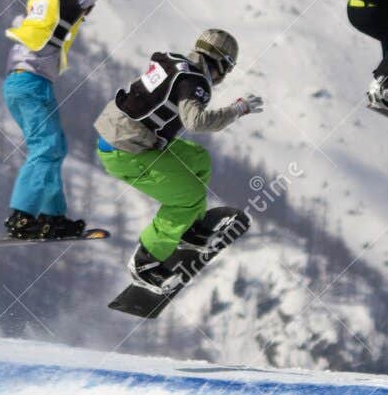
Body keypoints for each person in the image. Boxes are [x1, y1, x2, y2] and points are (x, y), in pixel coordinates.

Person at [92, 29, 263, 288]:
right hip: (126, 150)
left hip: (126, 138)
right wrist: (237, 109)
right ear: (218, 61)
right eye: (226, 68)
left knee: (198, 159)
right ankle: (145, 261)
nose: (223, 76)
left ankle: (189, 228)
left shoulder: (174, 62)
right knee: (188, 195)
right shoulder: (195, 82)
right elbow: (195, 122)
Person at [3, 0, 141, 240]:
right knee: (46, 148)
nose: (86, 14)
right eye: (87, 9)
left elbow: (19, 26)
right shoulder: (70, 3)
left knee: (54, 147)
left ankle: (53, 217)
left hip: (22, 83)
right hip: (31, 83)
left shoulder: (40, 11)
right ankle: (21, 217)